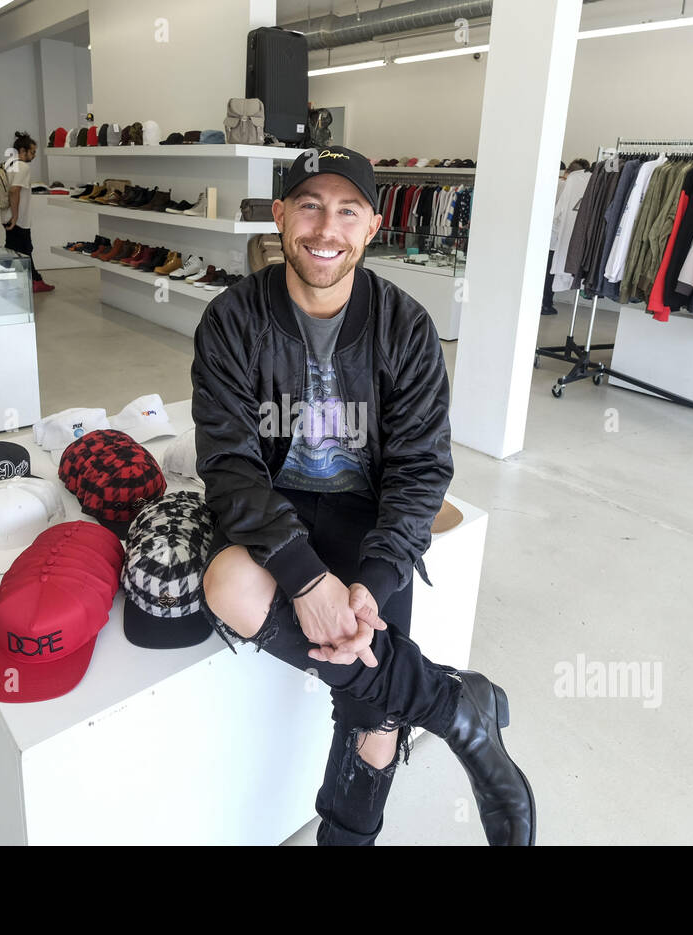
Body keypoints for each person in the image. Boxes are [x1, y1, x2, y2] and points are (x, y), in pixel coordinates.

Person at [191, 145, 535, 846]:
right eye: (310, 205)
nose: (326, 229)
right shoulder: (232, 319)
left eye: (347, 210)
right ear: (280, 215)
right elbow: (229, 465)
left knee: (372, 718)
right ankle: (452, 704)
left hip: (368, 514)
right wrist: (307, 577)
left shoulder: (405, 326)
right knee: (230, 584)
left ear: (373, 226)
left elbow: (418, 469)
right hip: (275, 506)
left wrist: (373, 580)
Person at [0, 131, 54, 294]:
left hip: (6, 214)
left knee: (15, 249)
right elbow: (14, 190)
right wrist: (16, 216)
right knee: (23, 249)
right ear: (22, 151)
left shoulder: (7, 164)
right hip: (18, 218)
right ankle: (34, 281)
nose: (34, 155)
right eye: (32, 152)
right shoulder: (22, 166)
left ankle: (34, 280)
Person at [542, 158, 593, 317]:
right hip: (557, 237)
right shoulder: (572, 187)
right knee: (550, 273)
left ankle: (542, 302)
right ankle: (546, 303)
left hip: (544, 234)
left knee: (544, 272)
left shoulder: (554, 184)